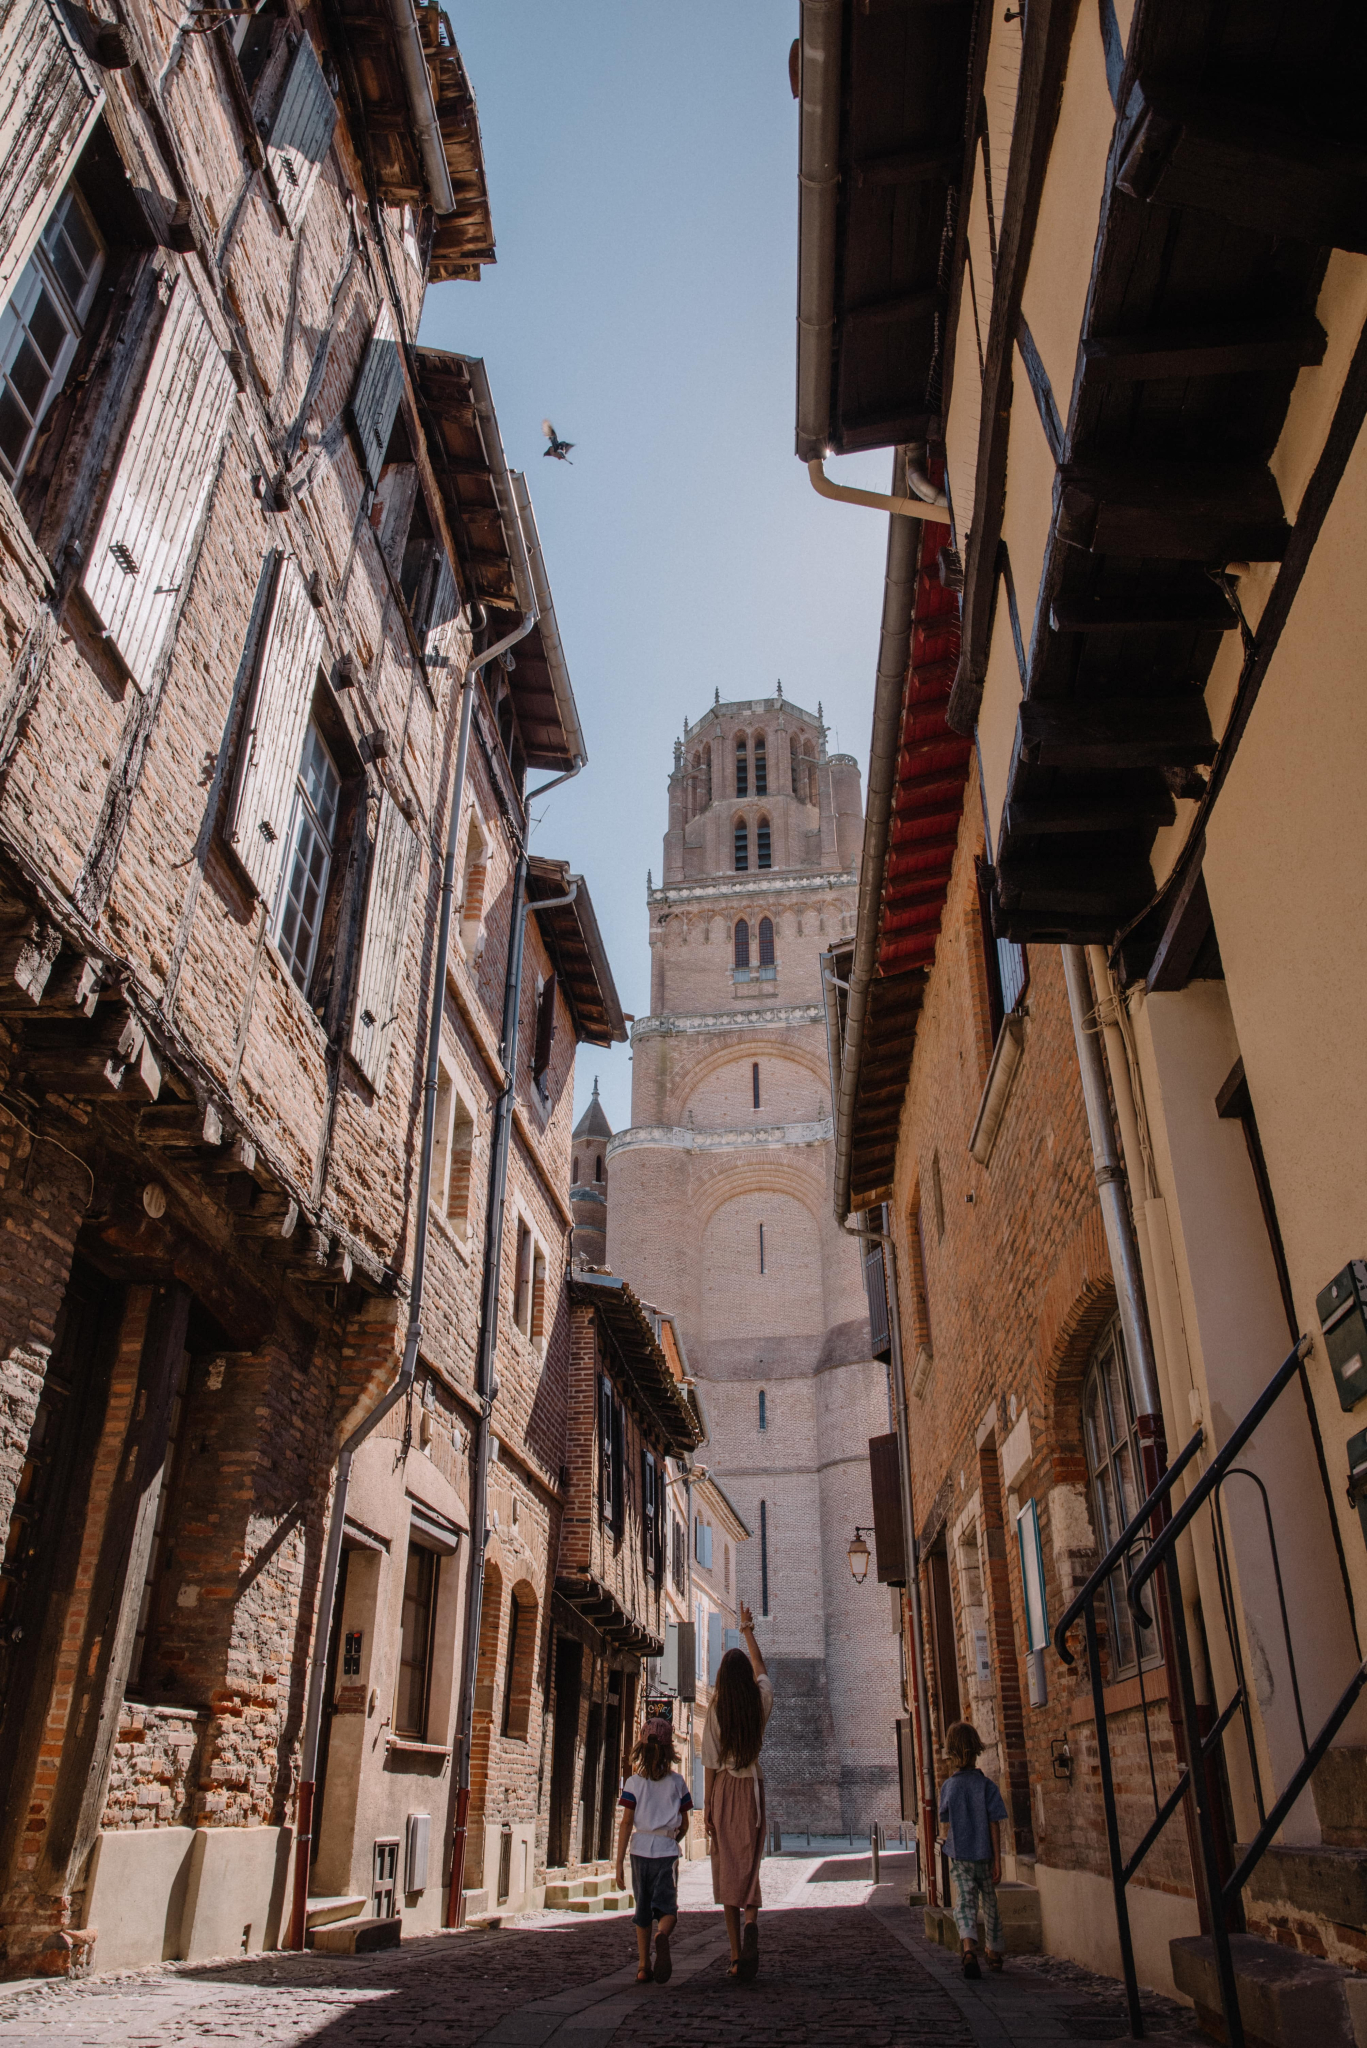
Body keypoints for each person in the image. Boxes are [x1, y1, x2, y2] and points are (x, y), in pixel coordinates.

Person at [702, 1600, 772, 1984]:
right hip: (752, 1789)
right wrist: (747, 1632)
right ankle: (751, 1923)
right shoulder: (759, 1702)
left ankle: (734, 1955)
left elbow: (710, 1762)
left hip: (726, 1789)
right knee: (750, 1864)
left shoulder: (716, 1708)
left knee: (727, 1867)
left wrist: (708, 1807)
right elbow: (761, 1671)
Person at [615, 1715, 692, 1984]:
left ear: (642, 1749)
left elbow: (626, 1823)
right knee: (667, 1908)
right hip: (666, 1851)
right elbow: (685, 1824)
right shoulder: (677, 1783)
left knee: (643, 1909)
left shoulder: (633, 1783)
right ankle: (662, 1936)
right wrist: (673, 1839)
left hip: (639, 1851)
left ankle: (643, 1965)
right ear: (669, 1750)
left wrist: (618, 1863)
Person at [938, 1719, 1009, 1978]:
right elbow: (994, 1823)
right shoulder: (987, 1786)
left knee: (965, 1902)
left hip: (960, 1855)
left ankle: (968, 1948)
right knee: (989, 1901)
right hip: (985, 1855)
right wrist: (997, 1860)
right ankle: (994, 1950)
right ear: (976, 1749)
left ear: (951, 1752)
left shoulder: (949, 1787)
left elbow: (945, 1821)